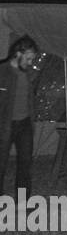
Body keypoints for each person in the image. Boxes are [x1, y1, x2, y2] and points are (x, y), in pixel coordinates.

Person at [0, 36, 39, 198]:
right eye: (28, 58)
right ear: (18, 53)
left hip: (25, 124)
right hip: (5, 124)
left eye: (32, 59)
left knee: (25, 163)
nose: (30, 63)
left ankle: (24, 200)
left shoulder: (30, 74)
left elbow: (31, 99)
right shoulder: (2, 71)